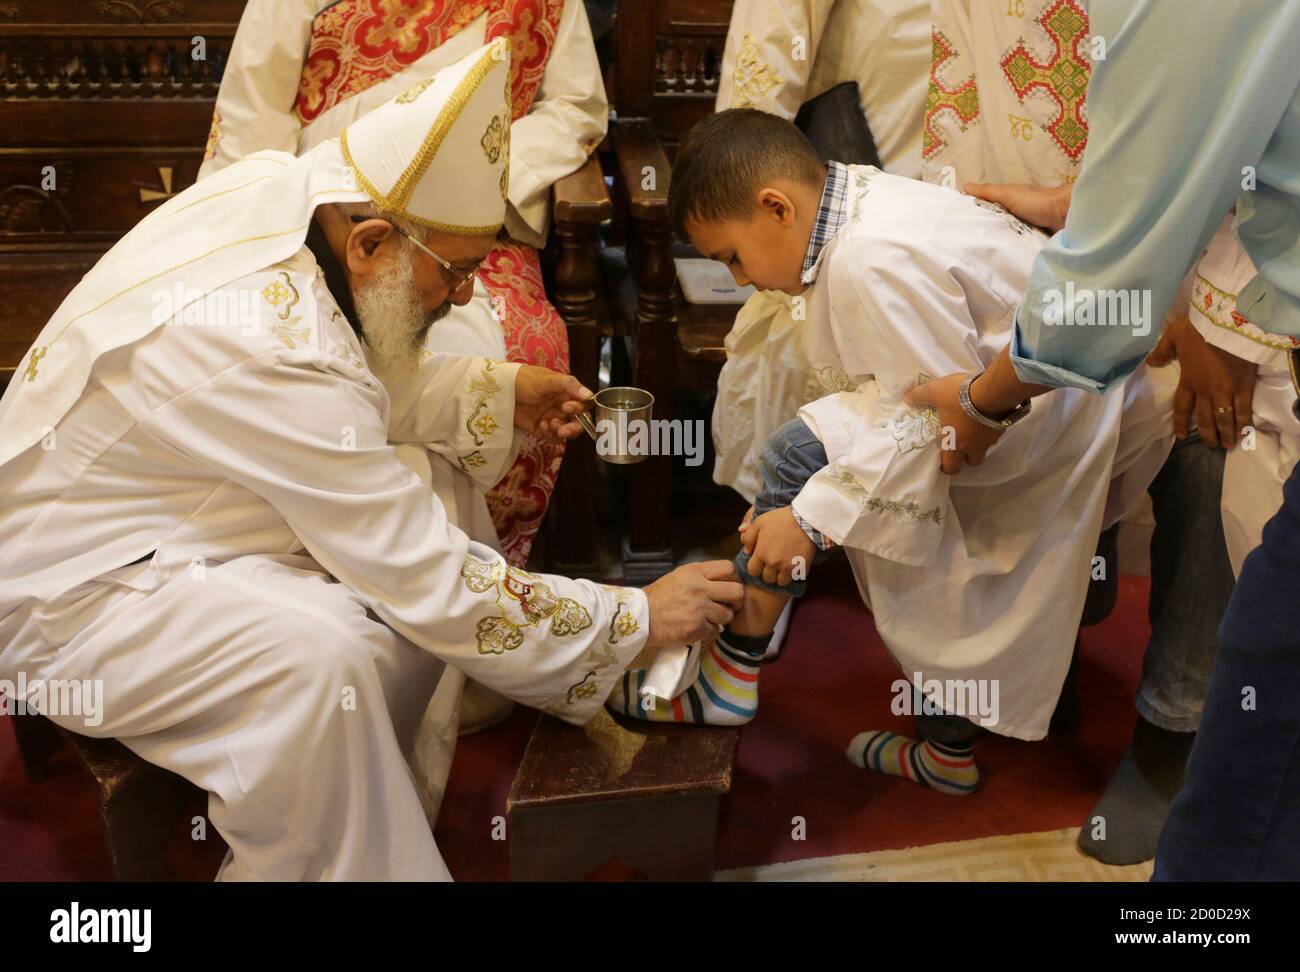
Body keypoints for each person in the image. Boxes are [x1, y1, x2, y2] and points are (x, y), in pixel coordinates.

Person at [0, 41, 743, 881]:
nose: (467, 296)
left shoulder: (289, 195)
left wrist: (490, 391)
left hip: (173, 504)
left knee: (435, 474)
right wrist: (634, 619)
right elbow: (412, 557)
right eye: (458, 274)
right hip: (82, 588)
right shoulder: (264, 340)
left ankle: (382, 789)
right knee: (324, 660)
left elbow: (348, 392)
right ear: (372, 244)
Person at [607, 111, 1175, 794]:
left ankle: (740, 671)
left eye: (731, 256)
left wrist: (813, 518)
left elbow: (943, 428)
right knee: (818, 470)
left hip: (1047, 424)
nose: (741, 278)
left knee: (836, 488)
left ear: (776, 207)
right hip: (1023, 396)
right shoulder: (859, 194)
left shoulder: (868, 258)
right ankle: (768, 672)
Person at [908, 0, 1300, 879]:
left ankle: (1174, 722)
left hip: (1206, 304)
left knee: (1209, 439)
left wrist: (988, 400)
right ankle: (1018, 651)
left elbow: (1175, 195)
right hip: (1102, 279)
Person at [201, 0, 610, 568]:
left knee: (486, 356)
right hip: (316, 219)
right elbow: (251, 130)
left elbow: (574, 108)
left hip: (465, 226)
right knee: (320, 365)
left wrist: (463, 184)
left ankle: (449, 569)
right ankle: (405, 569)